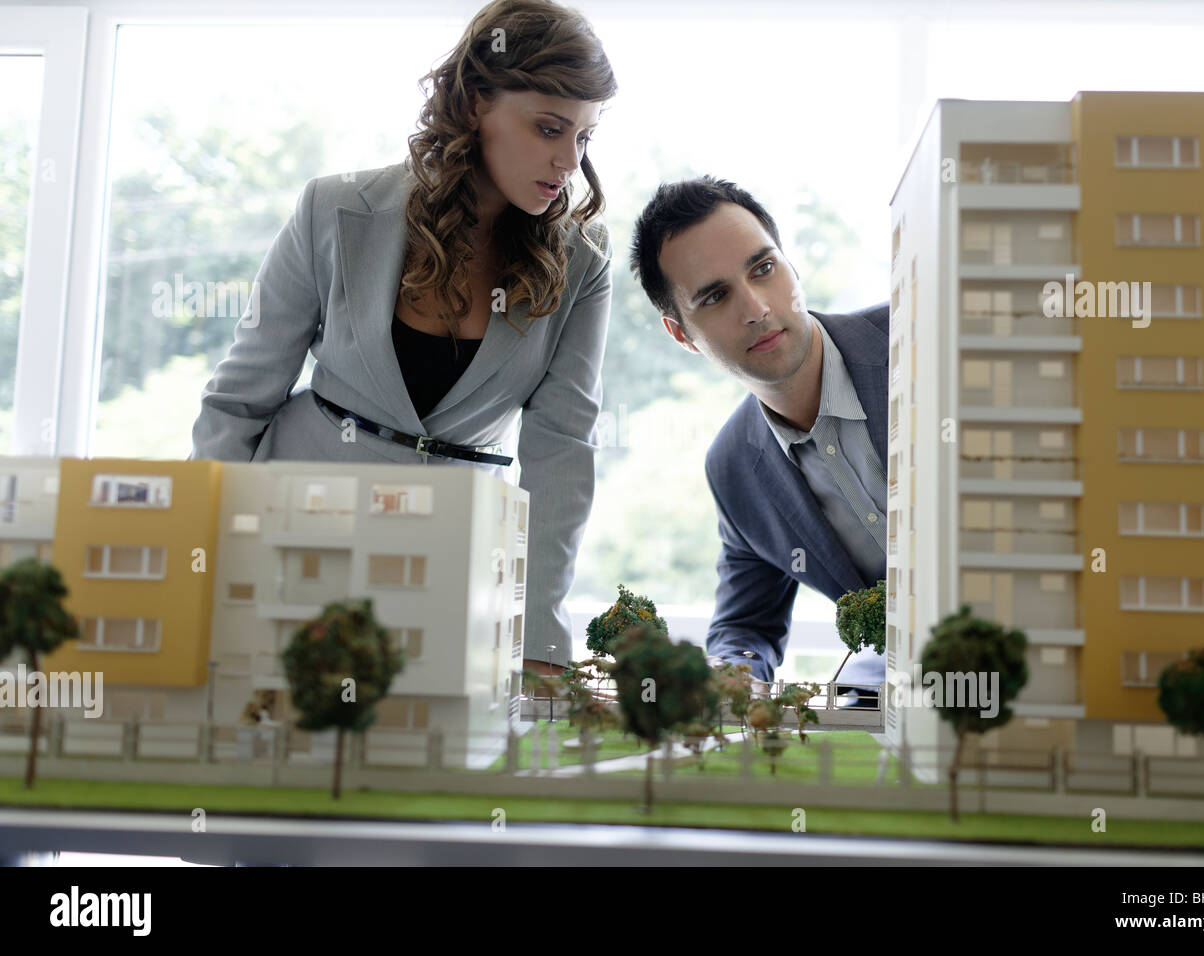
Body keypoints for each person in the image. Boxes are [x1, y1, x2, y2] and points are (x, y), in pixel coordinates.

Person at [190, 0, 617, 677]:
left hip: (451, 562)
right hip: (291, 530)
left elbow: (562, 453)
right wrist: (202, 562)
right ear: (477, 101)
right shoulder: (333, 210)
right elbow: (239, 401)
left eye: (586, 138)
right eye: (548, 128)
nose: (570, 160)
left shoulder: (583, 263)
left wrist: (539, 641)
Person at [629, 176, 888, 695]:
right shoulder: (732, 467)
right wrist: (729, 677)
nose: (756, 309)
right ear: (682, 334)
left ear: (790, 263)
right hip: (915, 696)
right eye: (716, 296)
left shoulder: (920, 337)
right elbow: (746, 628)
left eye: (763, 268)